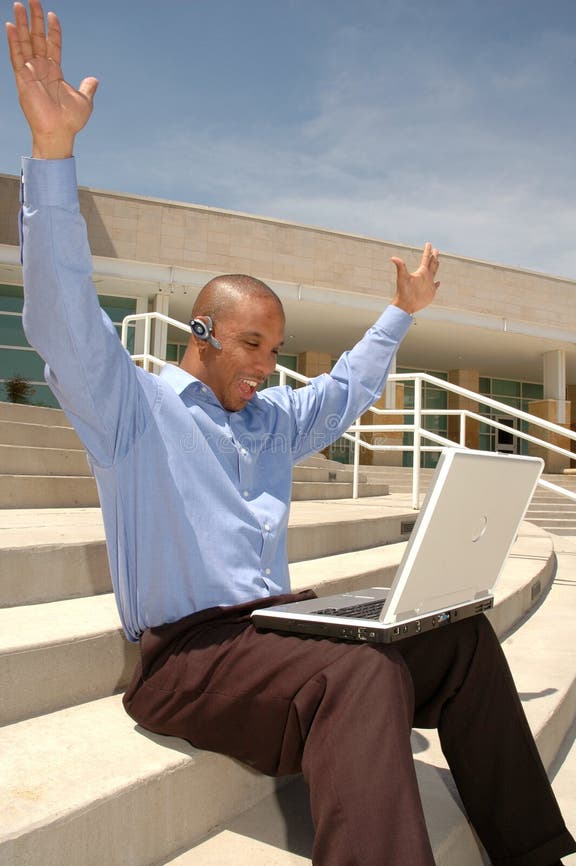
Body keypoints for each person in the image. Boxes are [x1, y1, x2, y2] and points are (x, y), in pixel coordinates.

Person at [6, 3, 575, 864]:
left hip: (282, 630)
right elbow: (61, 319)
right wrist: (53, 156)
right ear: (198, 334)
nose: (265, 366)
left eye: (273, 350)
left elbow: (342, 395)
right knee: (364, 672)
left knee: (455, 634)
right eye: (248, 345)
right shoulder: (132, 409)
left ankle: (536, 850)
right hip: (187, 661)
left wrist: (398, 313)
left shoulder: (269, 422)